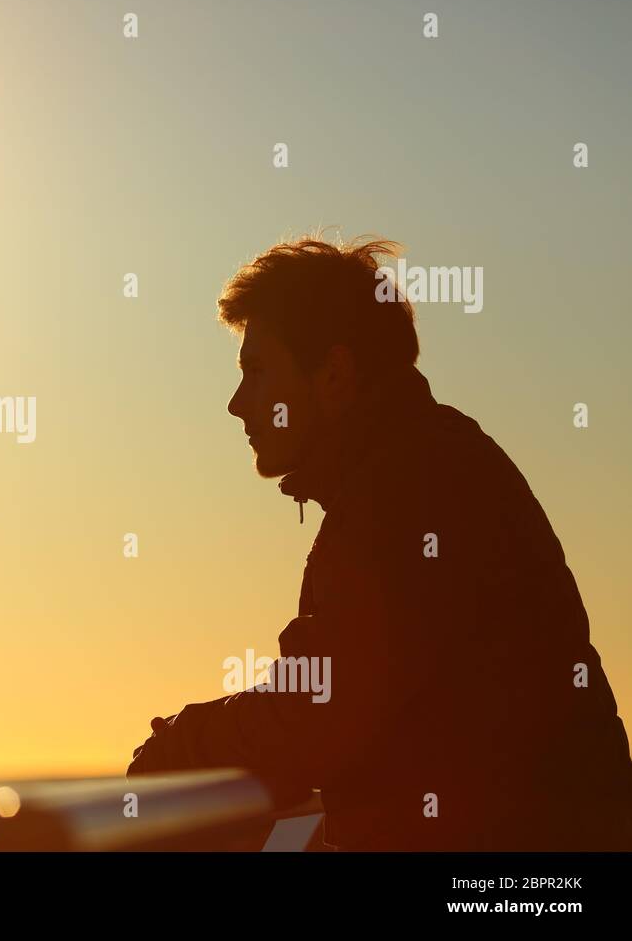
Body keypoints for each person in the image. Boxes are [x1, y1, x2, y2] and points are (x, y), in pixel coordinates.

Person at [127, 236, 632, 850]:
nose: (237, 405)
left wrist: (177, 745)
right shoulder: (426, 464)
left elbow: (316, 712)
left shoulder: (414, 487)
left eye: (256, 373)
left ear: (334, 374)